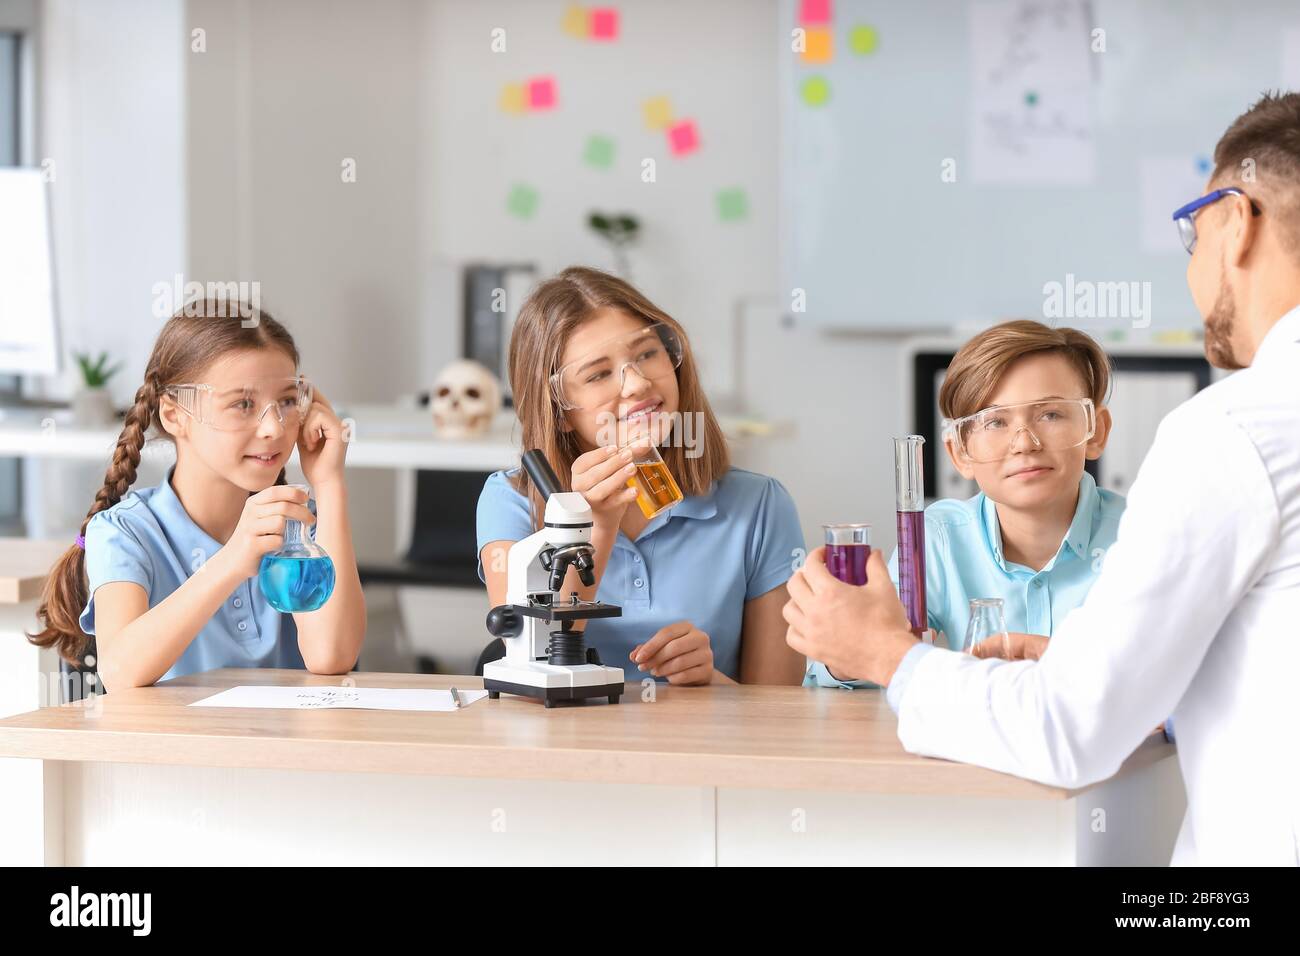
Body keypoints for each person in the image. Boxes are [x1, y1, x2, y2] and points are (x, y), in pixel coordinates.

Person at [784, 92, 1300, 864]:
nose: (1024, 440)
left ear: (1236, 221)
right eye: (993, 421)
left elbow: (1069, 734)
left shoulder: (1234, 432)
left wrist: (889, 656)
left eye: (1191, 234)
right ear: (957, 448)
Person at [28, 301, 366, 689]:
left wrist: (329, 484)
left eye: (288, 401)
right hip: (177, 751)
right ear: (173, 416)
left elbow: (333, 656)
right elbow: (120, 672)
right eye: (243, 404)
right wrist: (233, 560)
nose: (274, 427)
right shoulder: (126, 531)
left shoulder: (300, 522)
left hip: (284, 750)